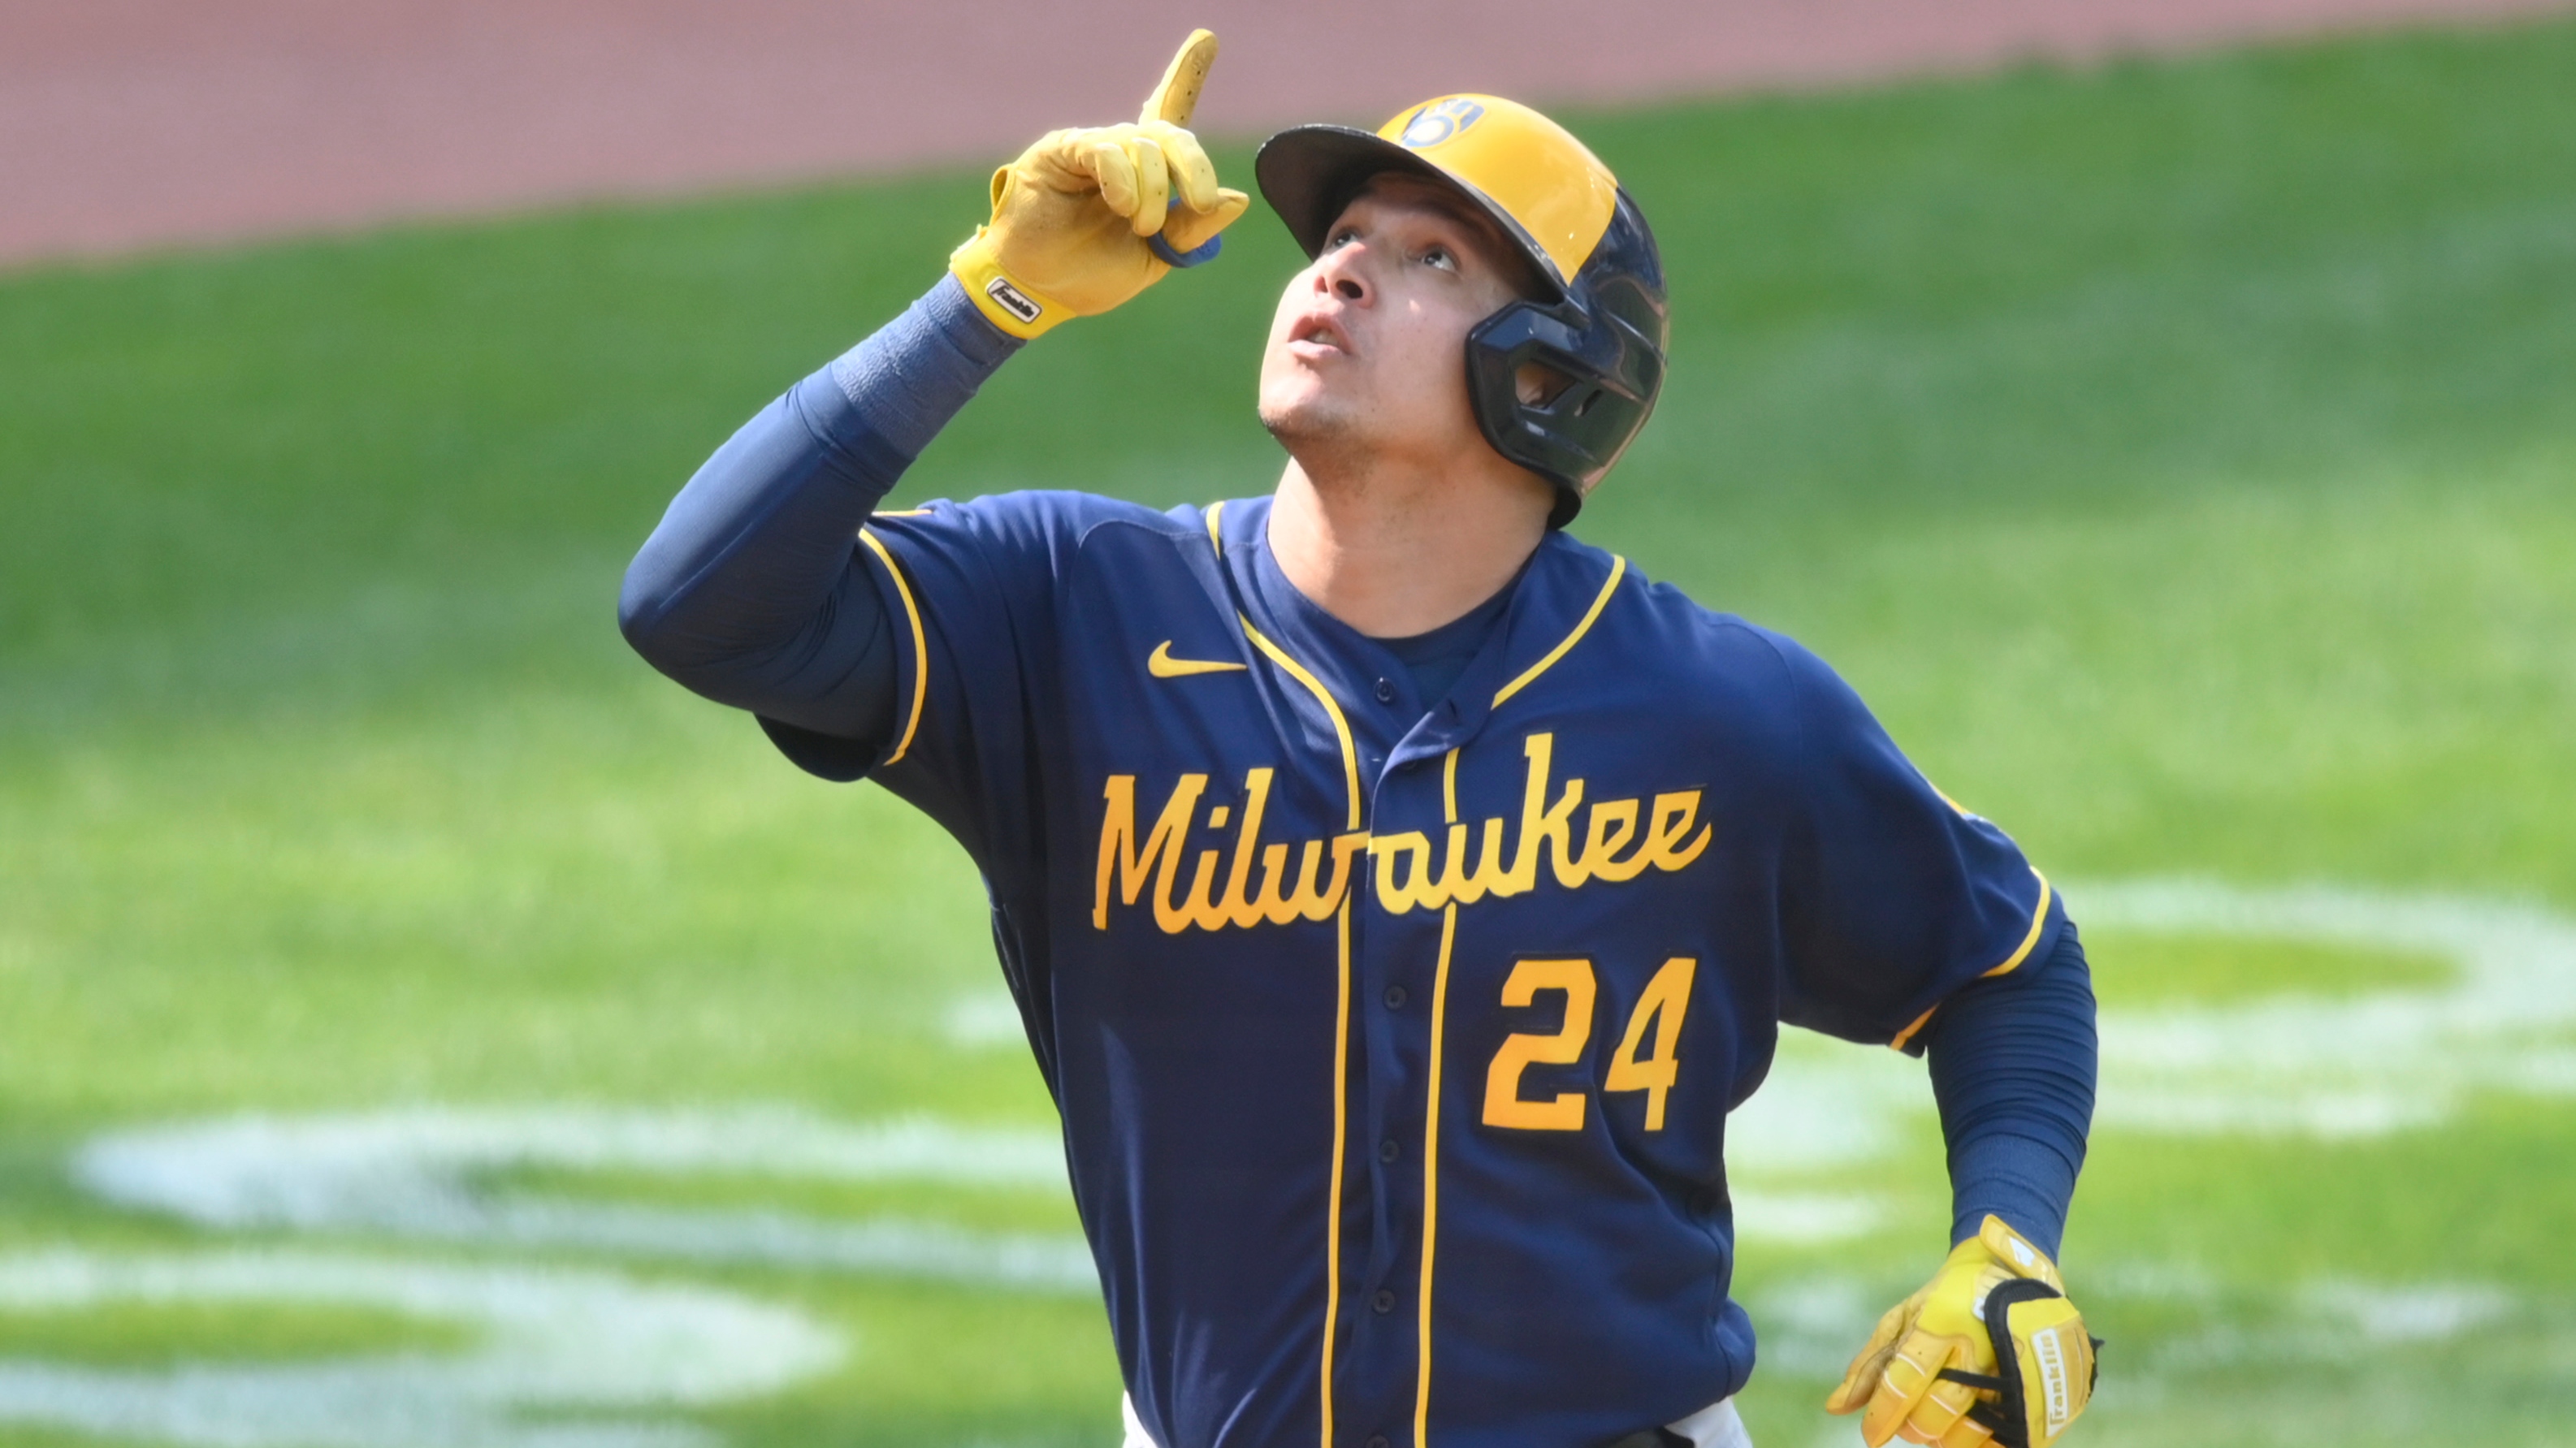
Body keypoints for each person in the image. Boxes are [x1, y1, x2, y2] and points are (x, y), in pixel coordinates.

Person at [620, 31, 2101, 1448]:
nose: (1337, 269)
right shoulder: (1071, 613)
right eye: (1340, 237)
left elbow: (2004, 964)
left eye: (1431, 258)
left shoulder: (1719, 715)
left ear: (1553, 378)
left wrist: (2007, 1244)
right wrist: (987, 299)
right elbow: (697, 608)